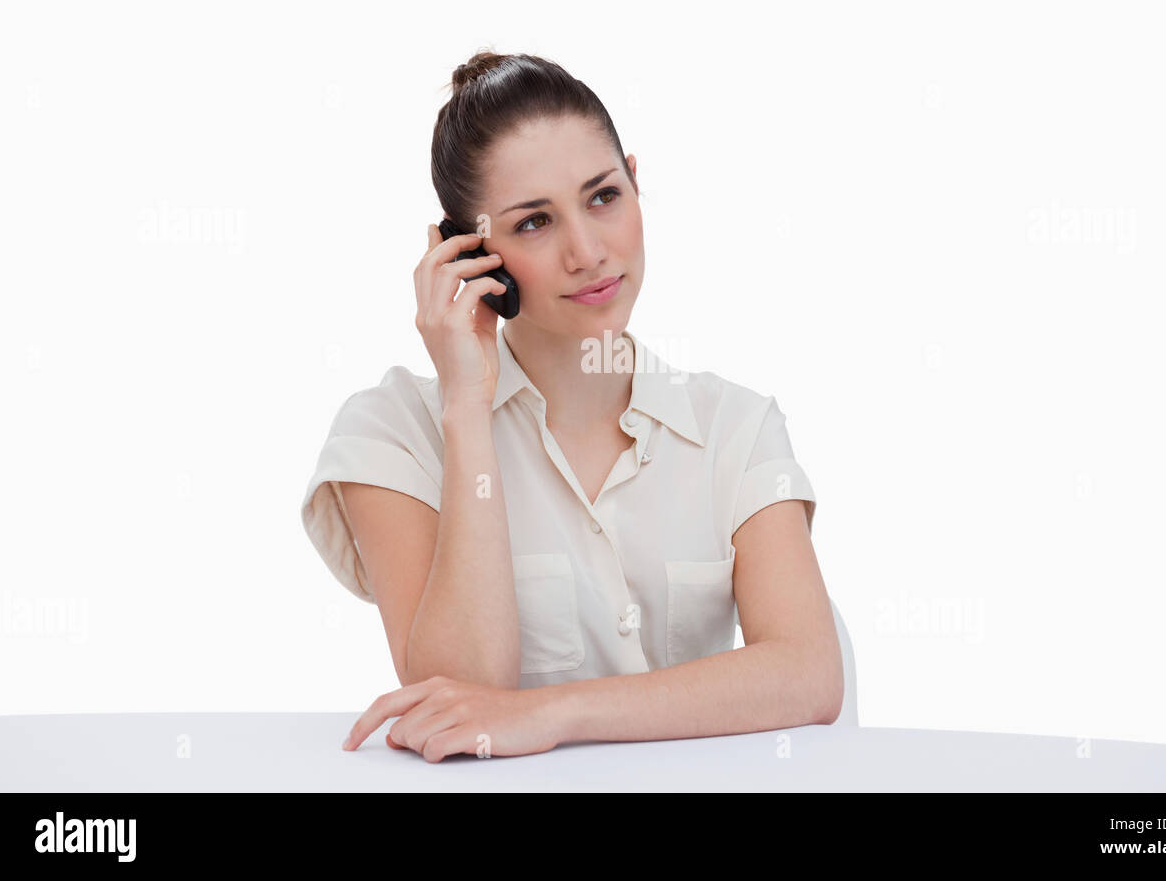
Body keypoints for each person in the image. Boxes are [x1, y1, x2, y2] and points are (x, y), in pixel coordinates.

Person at [300, 50, 843, 762]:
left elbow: (808, 673)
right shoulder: (392, 433)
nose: (588, 252)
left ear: (637, 185)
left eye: (603, 197)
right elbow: (460, 697)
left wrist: (551, 713)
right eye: (533, 223)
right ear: (471, 253)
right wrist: (466, 407)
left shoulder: (736, 430)